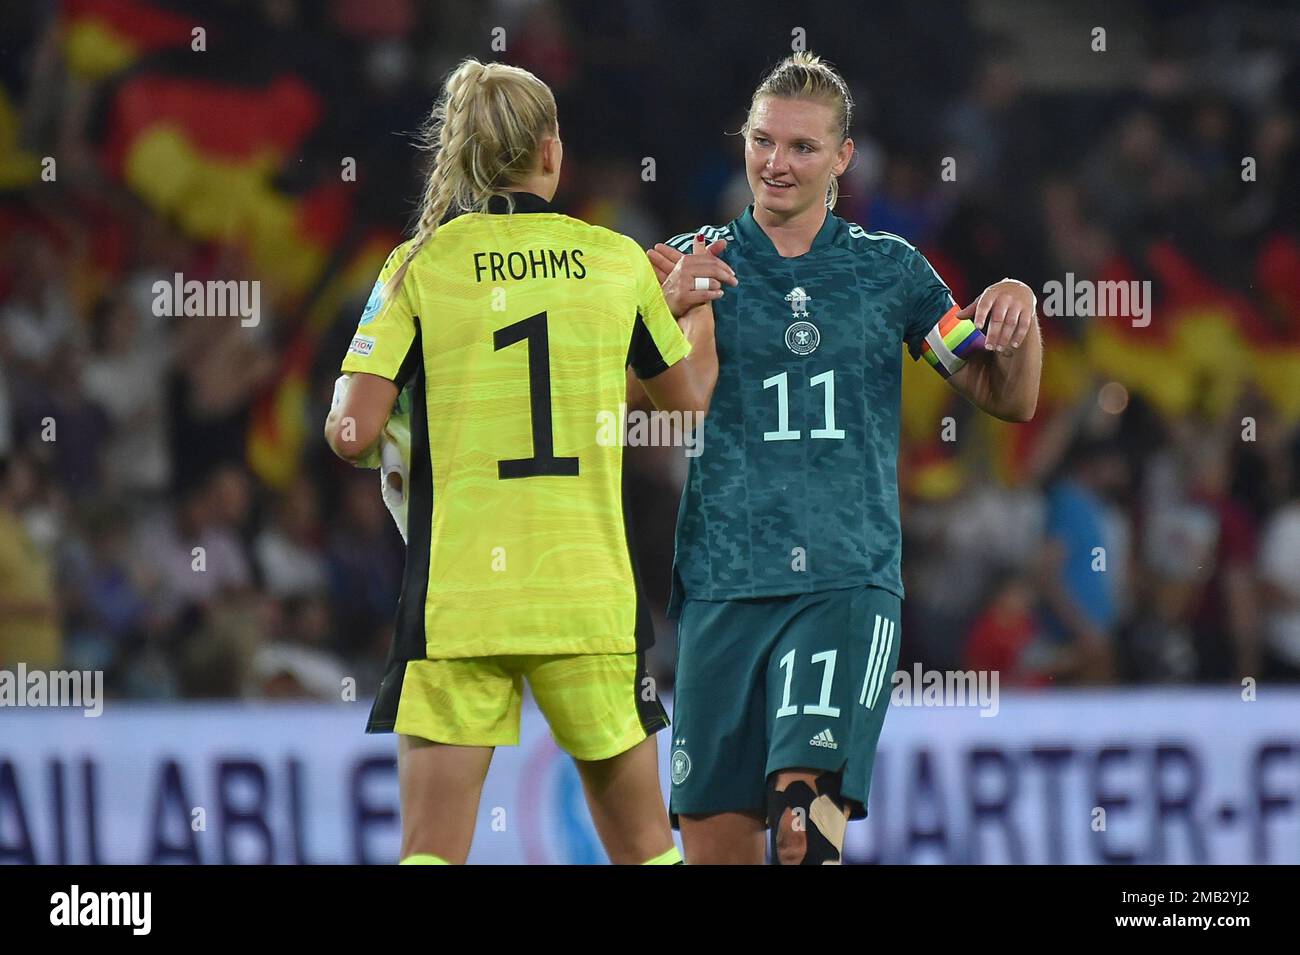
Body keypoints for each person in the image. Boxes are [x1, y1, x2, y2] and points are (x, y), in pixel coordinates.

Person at [643, 53, 1041, 864]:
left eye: (801, 147)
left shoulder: (890, 270)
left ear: (844, 157)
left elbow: (1006, 395)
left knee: (802, 831)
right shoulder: (684, 261)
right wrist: (669, 314)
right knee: (716, 848)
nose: (776, 163)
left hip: (841, 579)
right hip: (722, 582)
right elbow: (625, 407)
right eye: (762, 142)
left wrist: (1022, 315)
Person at [324, 58, 717, 865]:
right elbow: (686, 403)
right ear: (550, 152)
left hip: (460, 599)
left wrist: (370, 413)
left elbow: (351, 434)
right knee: (648, 850)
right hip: (589, 599)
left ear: (462, 156)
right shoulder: (614, 263)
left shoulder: (419, 266)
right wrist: (697, 304)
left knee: (431, 854)